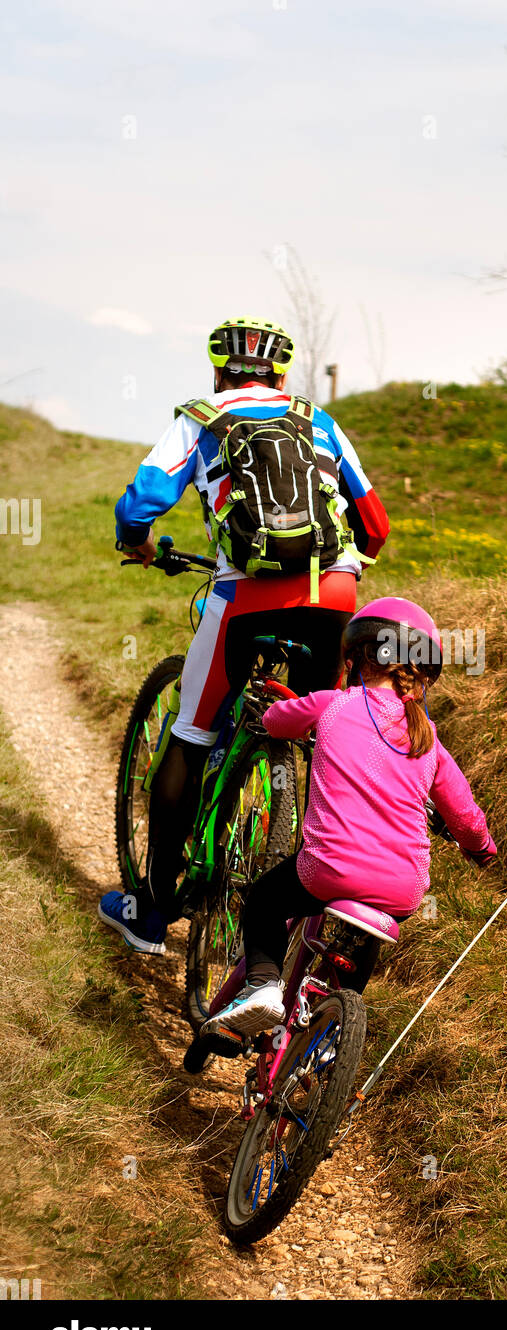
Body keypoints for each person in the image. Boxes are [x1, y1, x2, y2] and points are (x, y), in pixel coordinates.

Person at [99, 317, 389, 955]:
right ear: (281, 375)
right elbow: (374, 524)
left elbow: (139, 504)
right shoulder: (319, 421)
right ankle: (327, 903)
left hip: (246, 597)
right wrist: (344, 565)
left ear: (218, 370)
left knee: (191, 732)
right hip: (334, 597)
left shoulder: (201, 418)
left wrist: (137, 544)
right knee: (321, 736)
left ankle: (150, 912)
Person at [206, 597, 497, 1037]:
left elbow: (277, 720)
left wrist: (275, 713)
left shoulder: (333, 704)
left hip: (327, 871)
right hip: (403, 890)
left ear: (355, 658)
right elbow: (466, 816)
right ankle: (331, 1039)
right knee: (360, 948)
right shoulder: (427, 737)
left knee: (264, 901)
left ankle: (263, 987)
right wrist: (483, 850)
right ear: (422, 677)